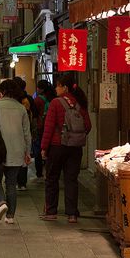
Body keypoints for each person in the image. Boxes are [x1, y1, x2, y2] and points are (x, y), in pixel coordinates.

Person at [40, 74, 92, 223]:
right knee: (71, 179)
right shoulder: (80, 103)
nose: (55, 88)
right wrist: (76, 136)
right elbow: (88, 126)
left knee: (52, 178)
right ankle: (72, 214)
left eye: (58, 85)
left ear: (65, 87)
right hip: (75, 148)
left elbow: (48, 128)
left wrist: (44, 147)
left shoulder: (56, 103)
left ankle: (51, 212)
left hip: (57, 146)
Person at [0, 79, 31, 224]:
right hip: (17, 151)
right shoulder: (21, 108)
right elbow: (27, 134)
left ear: (2, 92)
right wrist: (27, 152)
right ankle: (10, 216)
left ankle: (1, 202)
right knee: (11, 184)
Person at [13, 77, 39, 190]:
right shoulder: (28, 99)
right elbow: (35, 116)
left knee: (12, 156)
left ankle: (13, 180)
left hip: (12, 131)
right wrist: (34, 132)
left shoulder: (12, 99)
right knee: (24, 156)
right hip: (25, 131)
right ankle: (22, 183)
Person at [33, 80, 54, 179]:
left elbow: (34, 114)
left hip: (40, 127)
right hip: (51, 127)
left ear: (41, 89)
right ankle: (49, 171)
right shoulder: (52, 99)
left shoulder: (38, 100)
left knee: (38, 151)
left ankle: (39, 173)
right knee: (49, 150)